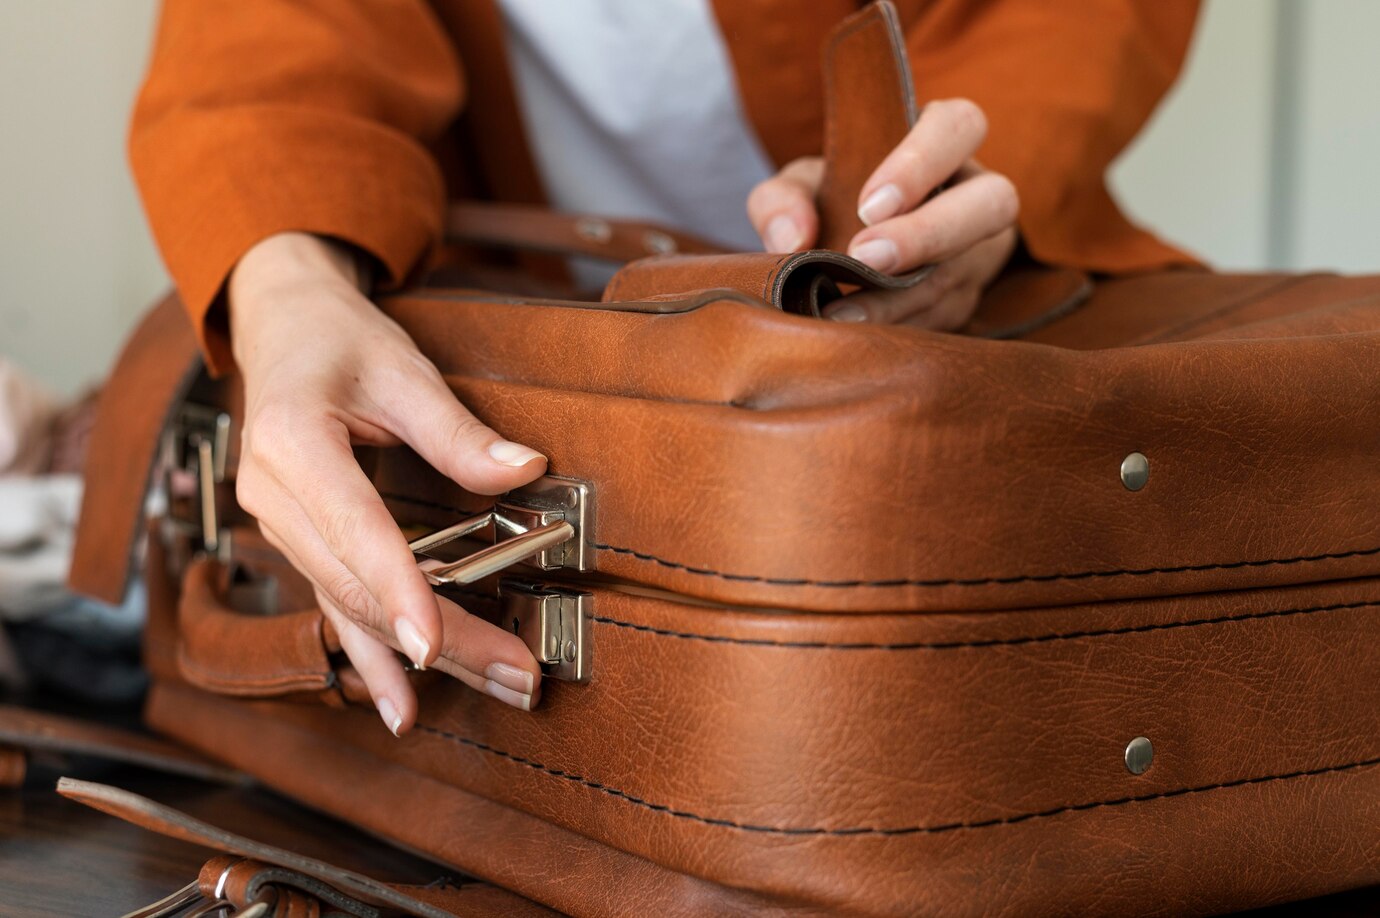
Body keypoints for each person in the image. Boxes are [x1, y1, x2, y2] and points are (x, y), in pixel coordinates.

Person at [128, 0, 1201, 736]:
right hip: (505, 333)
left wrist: (970, 167)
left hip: (946, 338)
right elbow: (261, 50)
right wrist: (285, 283)